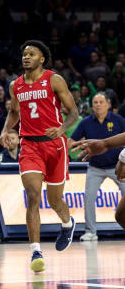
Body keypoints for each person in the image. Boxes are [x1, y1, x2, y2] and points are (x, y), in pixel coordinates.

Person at [0, 40, 79, 273]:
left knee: (55, 200)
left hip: (55, 146)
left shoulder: (54, 80)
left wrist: (62, 129)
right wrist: (6, 129)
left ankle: (67, 223)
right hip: (30, 146)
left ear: (41, 58)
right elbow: (14, 112)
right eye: (24, 54)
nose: (26, 57)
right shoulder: (16, 85)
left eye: (31, 54)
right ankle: (36, 250)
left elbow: (74, 113)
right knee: (33, 195)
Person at [67, 93, 125, 241]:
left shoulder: (118, 120)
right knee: (89, 198)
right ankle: (90, 232)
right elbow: (72, 141)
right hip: (95, 167)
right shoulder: (86, 122)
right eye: (95, 102)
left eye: (101, 102)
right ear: (92, 106)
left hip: (116, 166)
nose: (98, 104)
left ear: (108, 104)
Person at [72, 131, 125, 231]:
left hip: (111, 166)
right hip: (96, 168)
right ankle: (90, 231)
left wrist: (106, 144)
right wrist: (104, 144)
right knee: (121, 215)